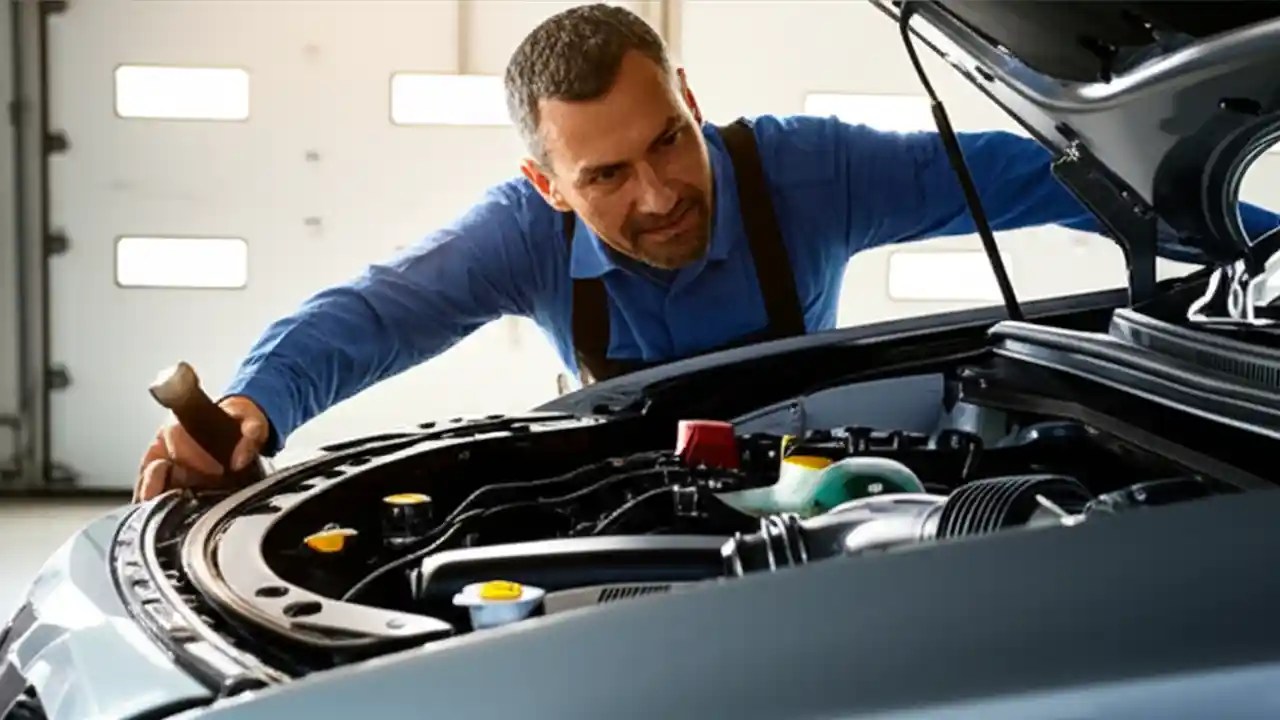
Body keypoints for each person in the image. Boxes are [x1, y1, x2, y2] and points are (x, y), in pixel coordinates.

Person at [133, 3, 1279, 502]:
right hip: (627, 483)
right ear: (546, 185)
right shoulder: (514, 234)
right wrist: (256, 408)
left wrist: (1264, 253)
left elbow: (1053, 175)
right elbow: (371, 315)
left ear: (688, 98)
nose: (662, 191)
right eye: (605, 178)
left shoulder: (808, 171)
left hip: (822, 477)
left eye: (668, 140)